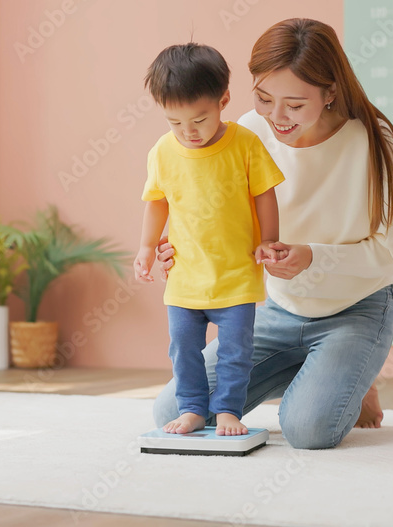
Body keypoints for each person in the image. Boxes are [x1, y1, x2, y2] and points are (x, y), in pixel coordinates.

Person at [152, 18, 393, 449]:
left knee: (309, 429)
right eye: (263, 98)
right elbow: (207, 212)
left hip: (355, 308)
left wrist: (313, 257)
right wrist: (173, 248)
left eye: (294, 104)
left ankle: (350, 372)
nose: (276, 117)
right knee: (175, 411)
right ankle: (328, 371)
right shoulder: (245, 134)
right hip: (277, 309)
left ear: (330, 92)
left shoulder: (373, 140)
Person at [134, 43, 286, 436]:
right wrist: (146, 247)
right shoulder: (163, 151)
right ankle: (192, 409)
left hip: (235, 277)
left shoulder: (244, 144)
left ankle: (229, 410)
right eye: (174, 122)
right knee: (183, 349)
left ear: (224, 101)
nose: (188, 131)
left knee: (236, 351)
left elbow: (264, 194)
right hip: (185, 280)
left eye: (199, 119)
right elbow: (157, 201)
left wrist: (269, 240)